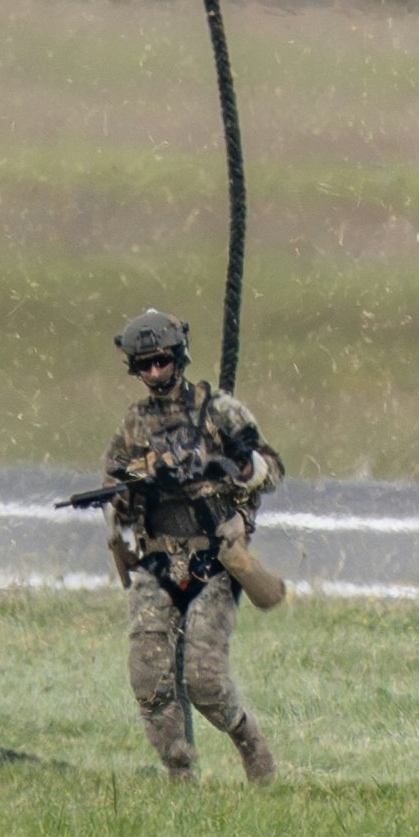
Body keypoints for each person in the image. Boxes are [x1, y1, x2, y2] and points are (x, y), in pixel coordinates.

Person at [94, 308, 283, 787]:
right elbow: (114, 481)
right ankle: (180, 776)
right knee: (151, 679)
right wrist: (140, 483)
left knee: (204, 678)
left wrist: (230, 469)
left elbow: (270, 467)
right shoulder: (134, 423)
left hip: (214, 560)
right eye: (143, 366)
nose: (154, 374)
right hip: (157, 561)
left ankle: (248, 740)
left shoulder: (218, 410)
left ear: (177, 357)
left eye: (161, 361)